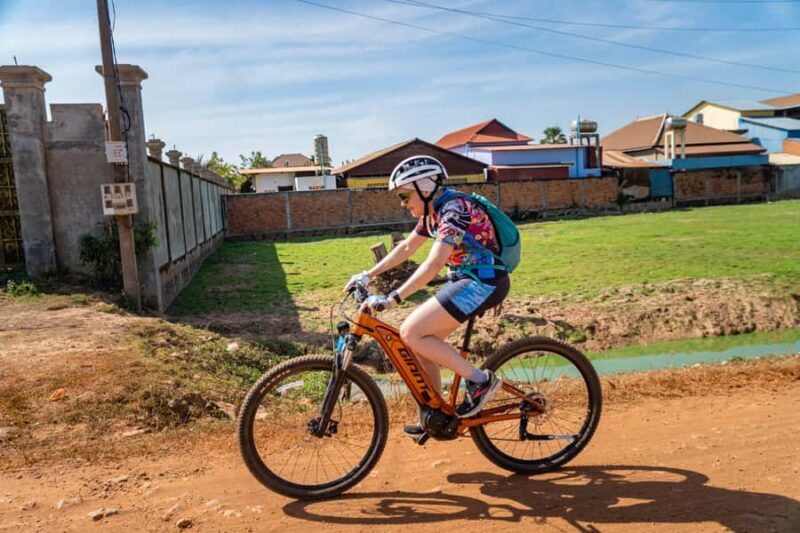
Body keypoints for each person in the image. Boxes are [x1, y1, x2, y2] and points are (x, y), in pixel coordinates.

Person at [343, 155, 512, 436]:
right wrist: (367, 275)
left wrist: (392, 298)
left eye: (405, 195)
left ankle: (480, 381)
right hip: (464, 279)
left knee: (411, 331)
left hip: (484, 281)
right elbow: (406, 248)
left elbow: (432, 264)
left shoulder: (454, 210)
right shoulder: (432, 212)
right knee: (419, 344)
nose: (403, 202)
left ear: (425, 186)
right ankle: (436, 414)